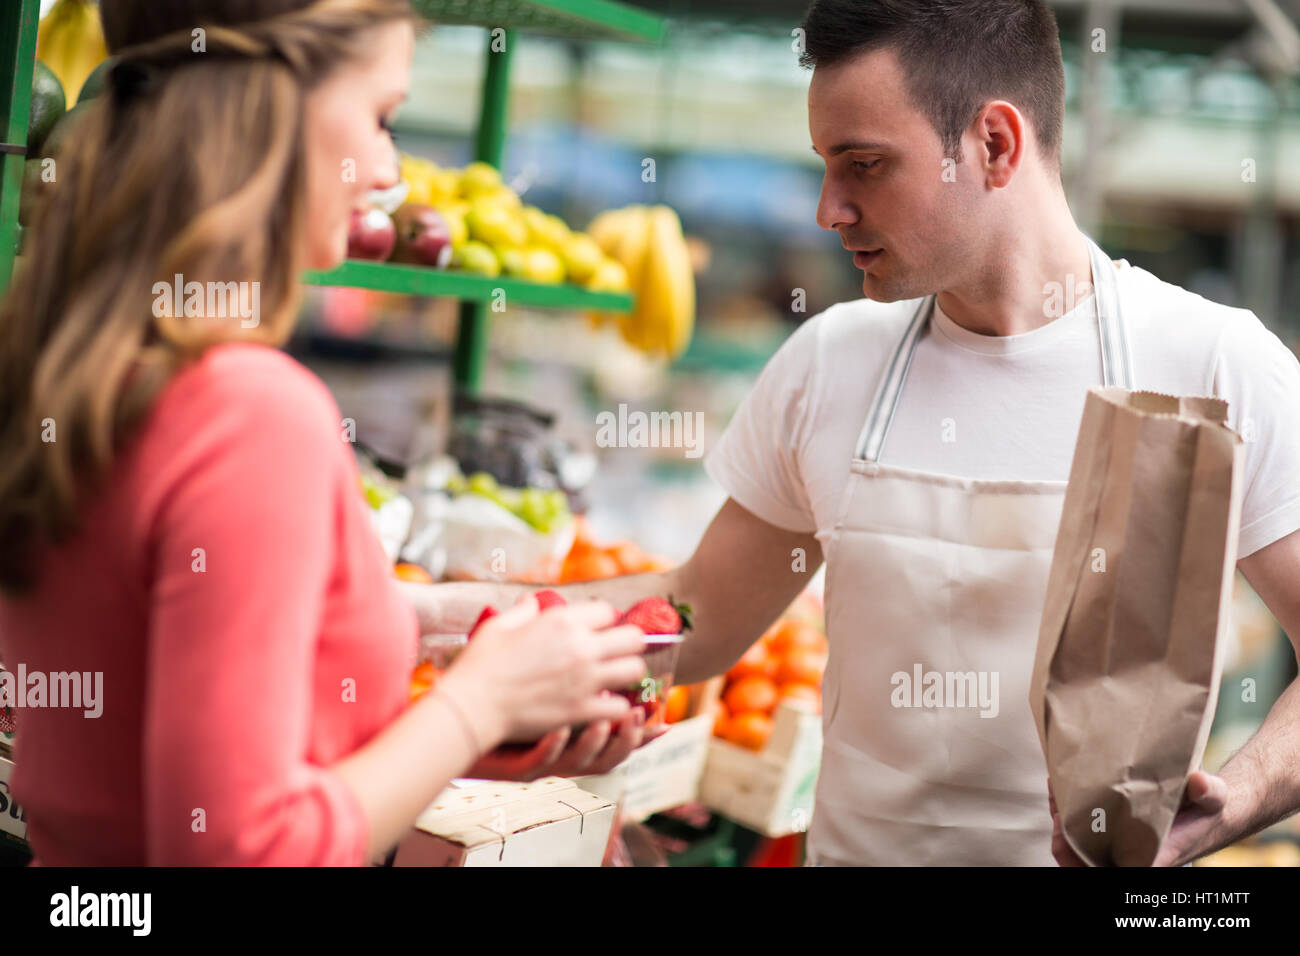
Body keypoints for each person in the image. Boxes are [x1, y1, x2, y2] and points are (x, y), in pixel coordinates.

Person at [414, 0, 1300, 866]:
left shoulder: (1214, 367)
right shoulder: (832, 361)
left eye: (865, 165)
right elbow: (695, 618)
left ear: (995, 145)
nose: (827, 209)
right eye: (825, 167)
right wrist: (431, 618)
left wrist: (1236, 803)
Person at [0, 0, 657, 867]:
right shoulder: (252, 412)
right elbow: (242, 849)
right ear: (269, 109)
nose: (388, 169)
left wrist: (417, 615)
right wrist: (481, 705)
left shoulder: (75, 366)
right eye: (381, 116)